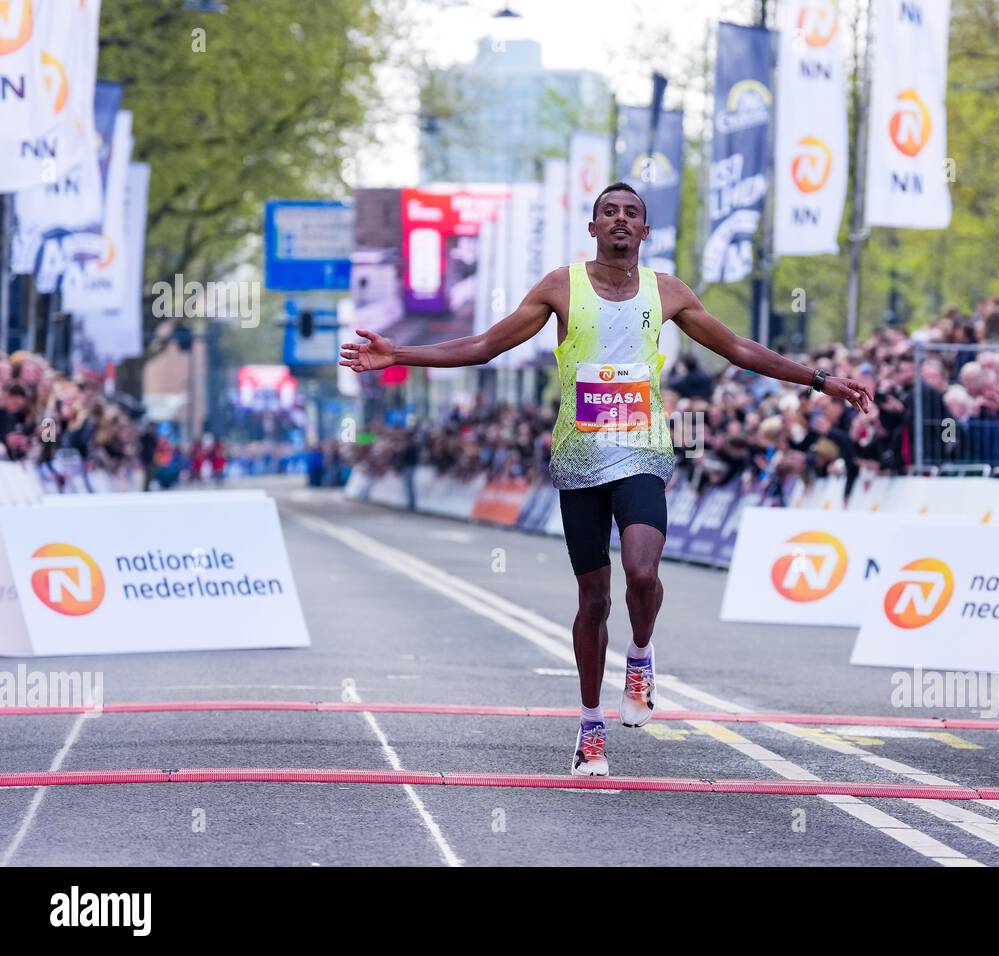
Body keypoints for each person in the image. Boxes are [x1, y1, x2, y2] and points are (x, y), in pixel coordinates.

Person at [340, 181, 871, 777]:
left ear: (645, 231)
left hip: (642, 447)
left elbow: (740, 350)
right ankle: (591, 725)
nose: (620, 220)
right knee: (593, 600)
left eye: (632, 214)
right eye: (609, 212)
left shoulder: (666, 291)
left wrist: (821, 381)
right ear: (592, 229)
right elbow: (486, 345)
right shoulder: (559, 286)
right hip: (578, 456)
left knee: (642, 572)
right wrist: (402, 355)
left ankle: (640, 655)